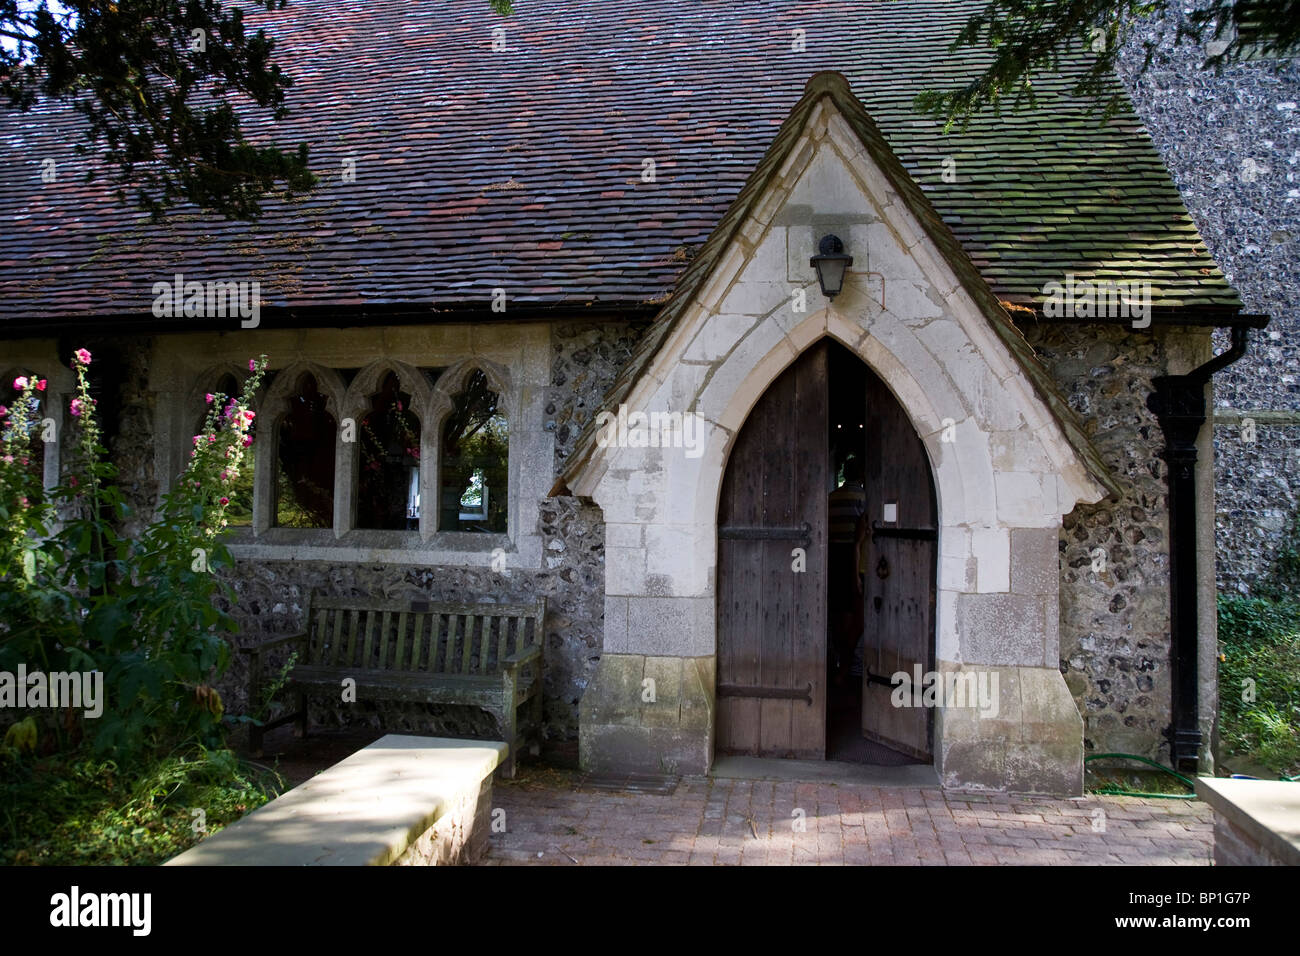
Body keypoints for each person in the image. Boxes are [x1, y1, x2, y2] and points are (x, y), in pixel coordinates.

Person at [828, 455, 867, 686]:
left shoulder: (831, 498)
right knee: (854, 612)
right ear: (861, 475)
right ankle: (848, 664)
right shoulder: (864, 498)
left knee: (839, 611)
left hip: (833, 555)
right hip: (853, 557)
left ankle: (842, 661)